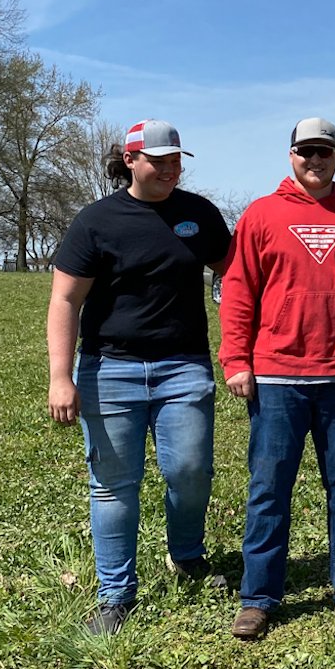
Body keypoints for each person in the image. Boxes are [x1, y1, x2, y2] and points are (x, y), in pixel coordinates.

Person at [47, 119, 232, 635]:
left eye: (177, 159)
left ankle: (187, 557)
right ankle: (115, 595)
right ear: (130, 160)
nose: (170, 168)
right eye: (159, 160)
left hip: (184, 367)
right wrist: (61, 377)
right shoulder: (96, 222)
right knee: (112, 486)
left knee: (191, 471)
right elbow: (65, 300)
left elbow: (233, 268)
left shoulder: (198, 214)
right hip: (110, 370)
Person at [217, 118, 335, 641]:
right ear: (290, 155)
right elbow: (239, 288)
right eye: (305, 152)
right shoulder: (261, 215)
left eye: (325, 152)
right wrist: (235, 360)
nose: (315, 161)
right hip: (275, 376)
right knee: (269, 489)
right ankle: (259, 597)